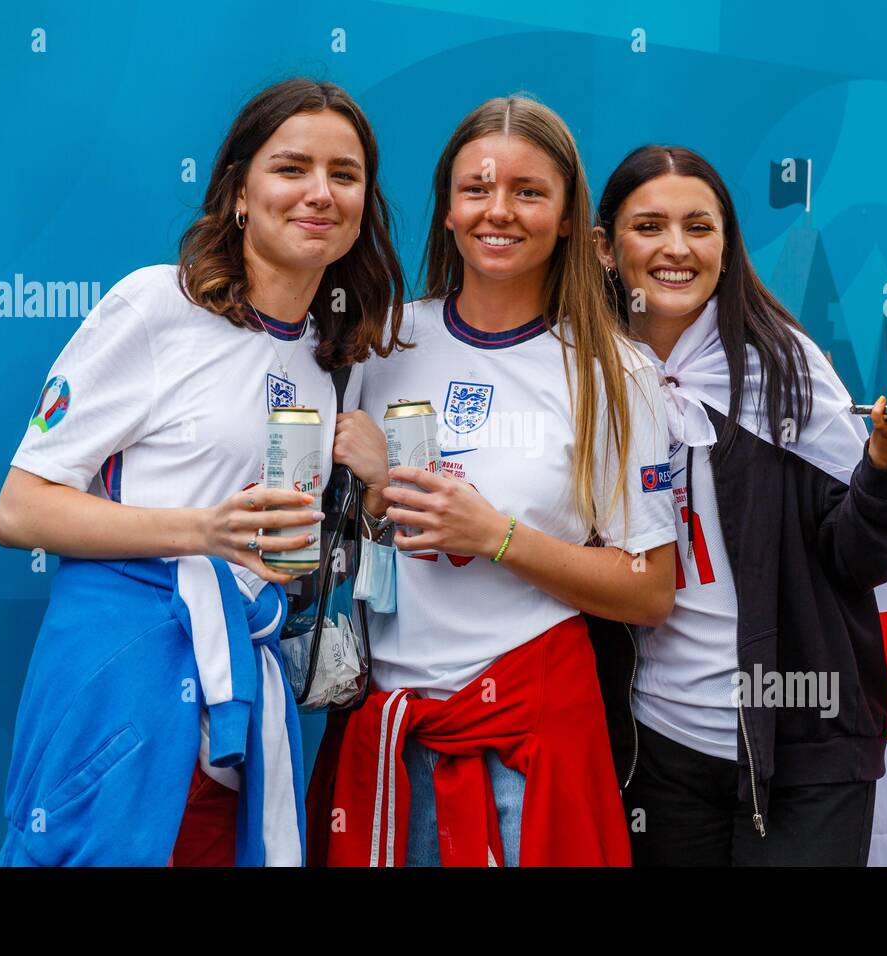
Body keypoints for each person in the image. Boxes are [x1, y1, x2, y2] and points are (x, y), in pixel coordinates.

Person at [0, 78, 405, 866]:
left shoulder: (328, 356)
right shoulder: (155, 305)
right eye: (292, 168)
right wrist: (203, 531)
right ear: (239, 193)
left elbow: (288, 557)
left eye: (344, 175)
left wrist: (371, 507)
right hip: (123, 676)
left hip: (237, 699)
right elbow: (19, 508)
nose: (320, 193)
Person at [306, 95, 678, 867]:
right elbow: (359, 554)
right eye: (476, 189)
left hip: (529, 743)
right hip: (390, 737)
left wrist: (497, 537)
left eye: (528, 192)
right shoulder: (384, 345)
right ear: (446, 209)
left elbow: (648, 589)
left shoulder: (617, 372)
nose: (498, 211)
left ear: (571, 218)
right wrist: (376, 498)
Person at [591, 145, 887, 866]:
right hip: (657, 751)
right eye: (649, 226)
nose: (676, 249)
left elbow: (860, 557)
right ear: (605, 248)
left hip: (805, 748)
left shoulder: (783, 368)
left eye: (700, 227)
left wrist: (885, 462)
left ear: (728, 244)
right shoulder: (583, 378)